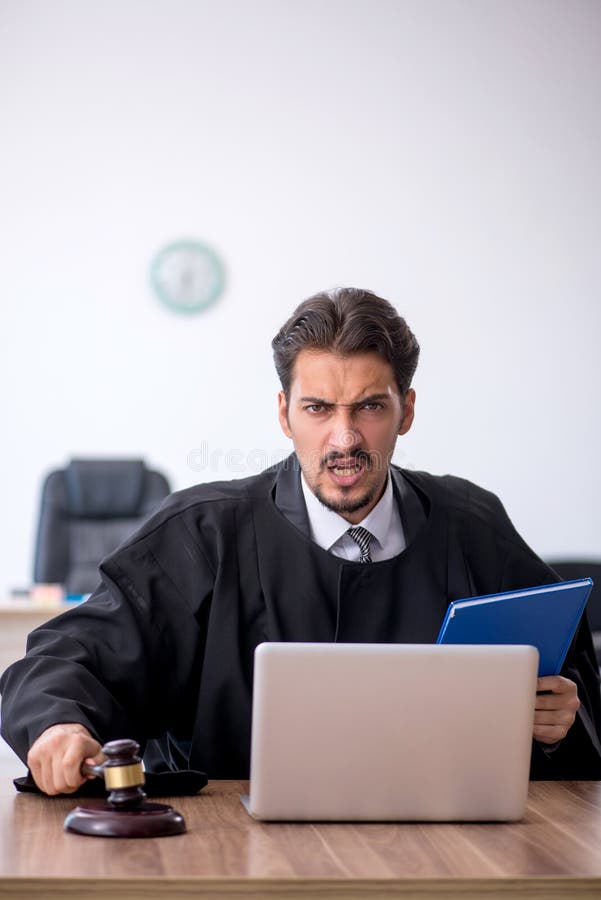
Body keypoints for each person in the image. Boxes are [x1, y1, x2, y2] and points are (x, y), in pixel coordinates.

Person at [2, 287, 600, 795]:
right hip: (231, 856)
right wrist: (56, 725)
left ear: (406, 411)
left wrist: (561, 719)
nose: (344, 438)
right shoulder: (202, 531)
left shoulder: (474, 526)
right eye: (318, 408)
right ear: (285, 415)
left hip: (444, 850)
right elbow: (62, 661)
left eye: (369, 407)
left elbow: (573, 685)